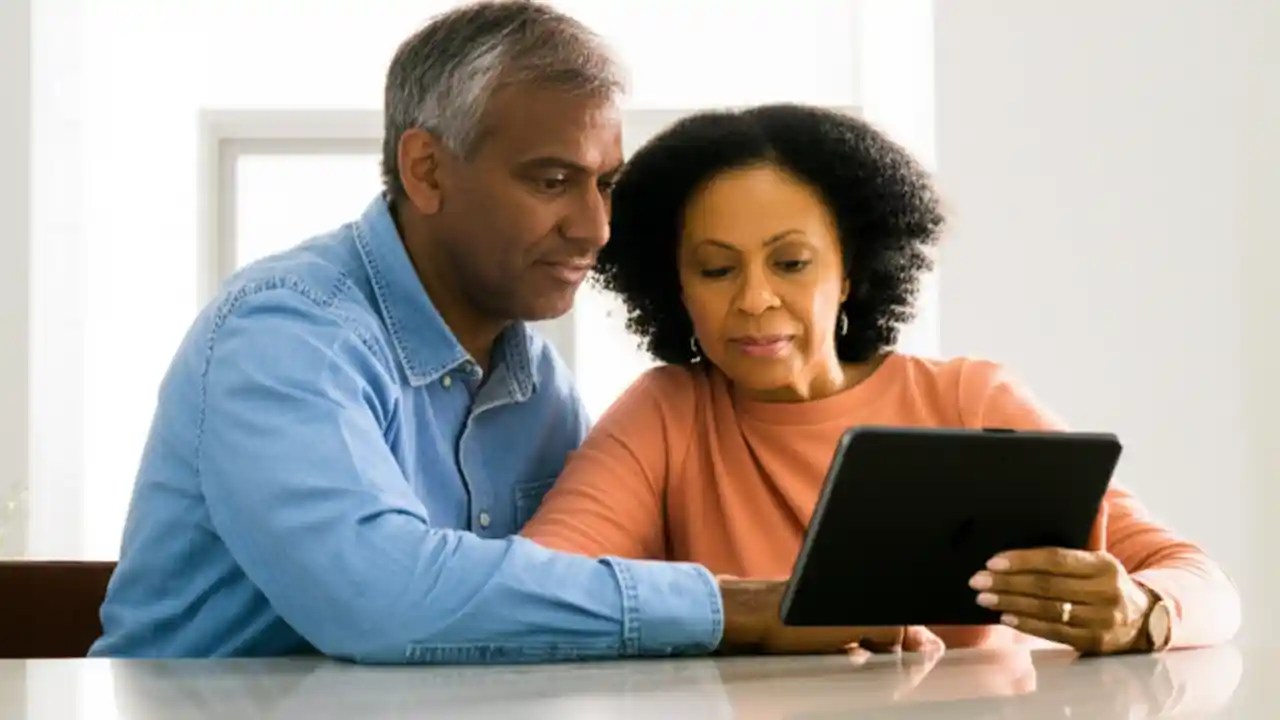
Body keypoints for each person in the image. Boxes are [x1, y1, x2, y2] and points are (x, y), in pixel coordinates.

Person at [91, 1, 922, 662]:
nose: (596, 228)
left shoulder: (538, 388)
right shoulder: (284, 333)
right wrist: (733, 606)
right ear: (426, 170)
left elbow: (543, 607)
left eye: (606, 184)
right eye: (553, 180)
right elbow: (377, 600)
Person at [521, 103, 1243, 655]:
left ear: (851, 271)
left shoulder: (966, 398)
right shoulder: (669, 414)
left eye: (791, 262)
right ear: (674, 287)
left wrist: (1142, 612)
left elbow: (1199, 579)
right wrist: (741, 614)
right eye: (716, 269)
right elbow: (533, 597)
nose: (754, 299)